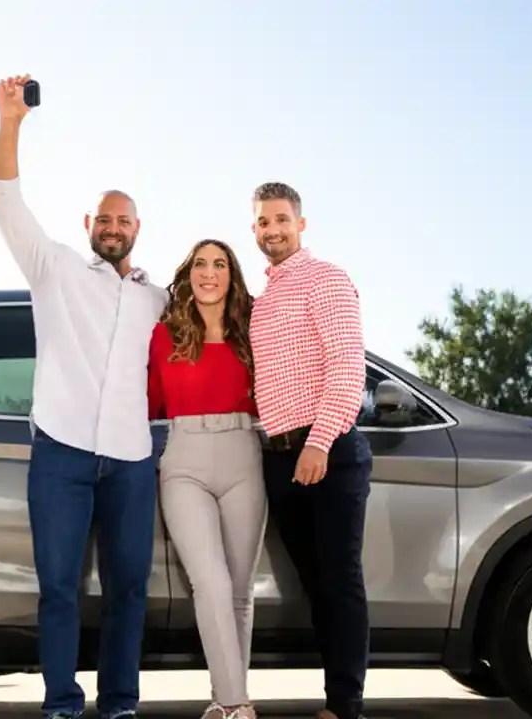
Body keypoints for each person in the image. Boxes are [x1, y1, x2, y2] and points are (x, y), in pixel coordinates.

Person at [0, 73, 168, 719]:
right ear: (89, 223)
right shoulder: (54, 268)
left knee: (129, 590)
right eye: (105, 218)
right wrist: (11, 123)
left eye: (125, 220)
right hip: (60, 455)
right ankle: (61, 702)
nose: (114, 227)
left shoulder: (156, 297)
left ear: (137, 229)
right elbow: (5, 202)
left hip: (130, 461)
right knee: (59, 589)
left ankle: (119, 702)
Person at [245, 181, 372, 719]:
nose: (272, 230)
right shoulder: (263, 299)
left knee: (340, 580)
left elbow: (347, 367)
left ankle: (344, 706)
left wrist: (318, 443)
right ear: (254, 230)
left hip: (328, 453)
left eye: (281, 219)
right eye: (262, 222)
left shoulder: (327, 279)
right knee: (317, 586)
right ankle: (337, 697)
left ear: (301, 223)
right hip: (278, 459)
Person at [147, 239, 266, 719]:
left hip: (243, 454)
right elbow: (147, 401)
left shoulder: (253, 332)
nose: (209, 272)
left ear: (232, 276)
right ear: (188, 274)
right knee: (211, 582)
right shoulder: (163, 334)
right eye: (200, 264)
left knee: (239, 592)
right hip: (185, 459)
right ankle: (239, 703)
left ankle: (225, 701)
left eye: (219, 264)